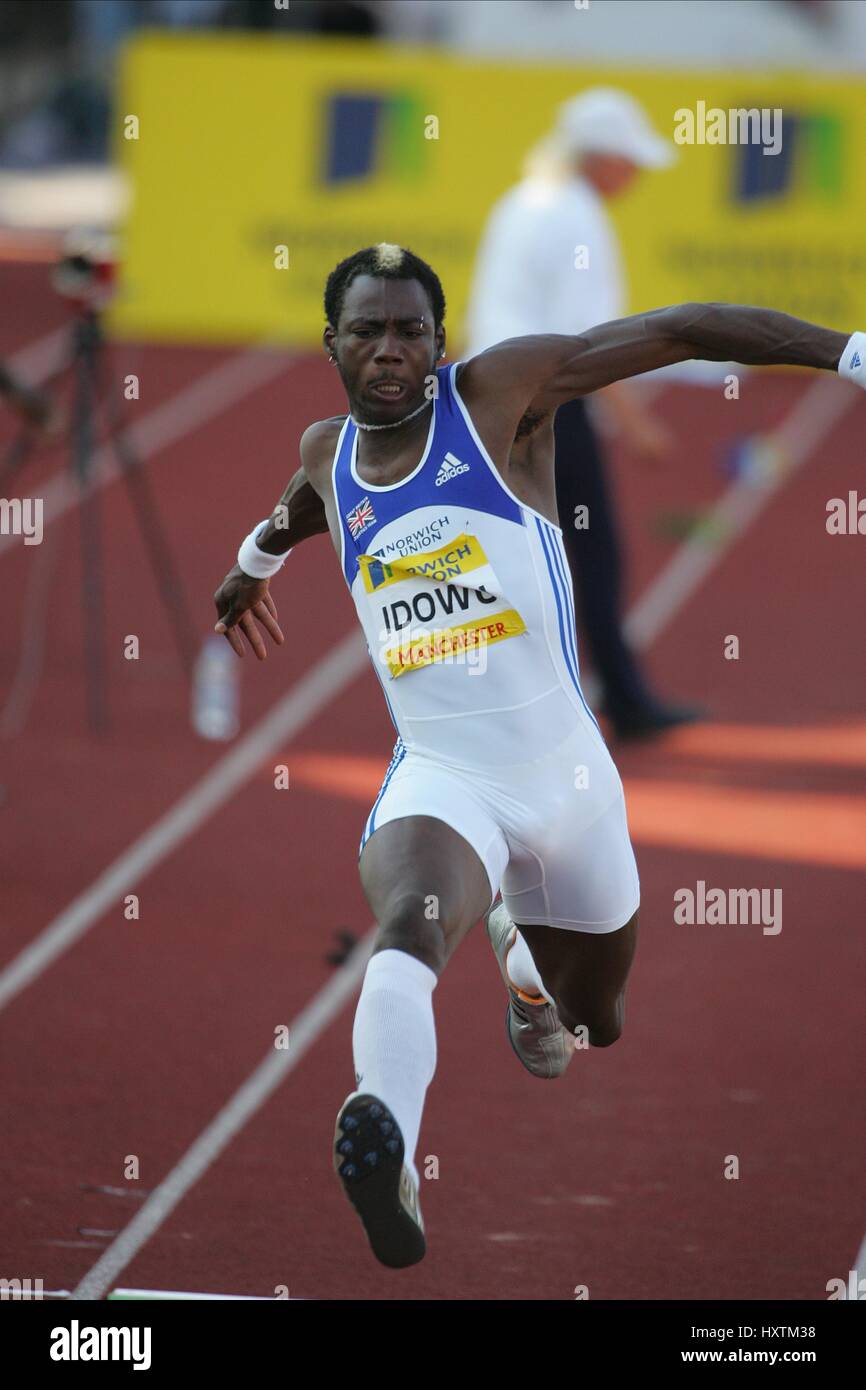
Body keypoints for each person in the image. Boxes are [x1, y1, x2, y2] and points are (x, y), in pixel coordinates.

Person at [212, 242, 863, 1267]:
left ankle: (530, 985)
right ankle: (393, 1151)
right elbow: (310, 499)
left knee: (594, 1018)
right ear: (331, 342)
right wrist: (253, 562)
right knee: (406, 926)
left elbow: (680, 328)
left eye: (410, 332)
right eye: (366, 331)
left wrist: (850, 352)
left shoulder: (499, 397)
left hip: (565, 780)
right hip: (441, 776)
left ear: (439, 342)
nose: (389, 351)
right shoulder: (323, 451)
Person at [465, 88, 700, 739]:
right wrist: (636, 423)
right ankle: (622, 701)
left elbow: (491, 308)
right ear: (600, 159)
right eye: (629, 159)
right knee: (590, 555)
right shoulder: (576, 216)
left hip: (490, 395)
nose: (636, 173)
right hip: (545, 403)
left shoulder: (521, 198)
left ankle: (502, 702)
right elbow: (586, 335)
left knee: (514, 554)